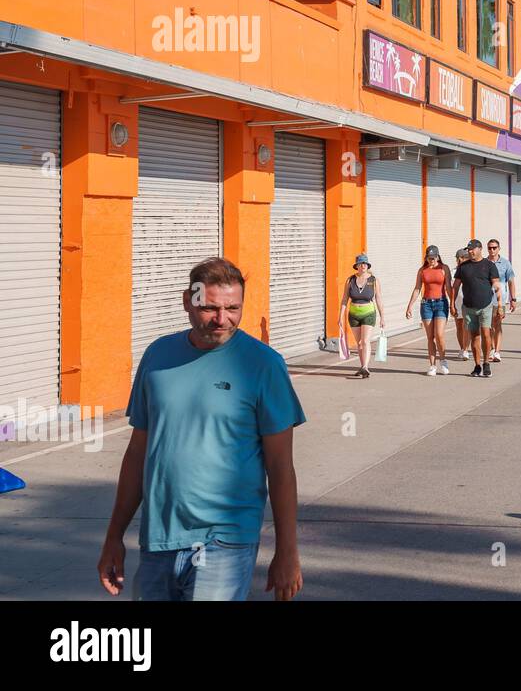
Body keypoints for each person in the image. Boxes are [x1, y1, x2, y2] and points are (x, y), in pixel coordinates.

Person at [98, 257, 305, 601]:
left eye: (233, 308)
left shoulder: (264, 365)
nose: (222, 319)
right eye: (210, 308)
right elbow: (138, 453)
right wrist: (113, 536)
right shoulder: (158, 356)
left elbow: (281, 469)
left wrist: (287, 552)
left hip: (226, 541)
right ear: (187, 302)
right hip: (159, 538)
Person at [451, 239, 502, 378]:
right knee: (474, 337)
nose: (470, 252)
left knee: (486, 334)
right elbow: (455, 286)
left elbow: (497, 286)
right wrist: (452, 304)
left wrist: (500, 304)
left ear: (480, 249)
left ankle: (486, 363)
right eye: (469, 249)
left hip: (485, 306)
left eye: (472, 249)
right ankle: (477, 365)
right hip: (468, 307)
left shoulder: (489, 265)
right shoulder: (464, 267)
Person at [405, 245, 451, 376]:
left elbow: (448, 286)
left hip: (441, 303)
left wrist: (452, 303)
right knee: (430, 337)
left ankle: (443, 360)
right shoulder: (422, 270)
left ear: (438, 256)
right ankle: (432, 365)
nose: (431, 260)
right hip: (426, 304)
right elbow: (417, 288)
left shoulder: (444, 268)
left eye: (433, 258)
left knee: (439, 335)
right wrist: (410, 306)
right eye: (429, 258)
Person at [339, 253, 385, 380]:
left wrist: (382, 317)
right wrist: (340, 317)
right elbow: (344, 300)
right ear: (357, 266)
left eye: (365, 263)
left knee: (365, 341)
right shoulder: (350, 280)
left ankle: (365, 367)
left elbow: (379, 299)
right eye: (360, 264)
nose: (363, 265)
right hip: (353, 314)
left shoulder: (373, 280)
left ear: (367, 265)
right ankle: (362, 366)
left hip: (368, 313)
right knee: (359, 343)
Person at [485, 239, 516, 363]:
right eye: (490, 248)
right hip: (486, 300)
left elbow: (511, 281)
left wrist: (513, 299)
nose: (492, 250)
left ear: (499, 248)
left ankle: (497, 351)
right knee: (489, 326)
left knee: (497, 324)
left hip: (500, 300)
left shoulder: (505, 263)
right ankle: (492, 348)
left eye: (494, 247)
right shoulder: (484, 263)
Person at [451, 248, 471, 360]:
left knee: (466, 326)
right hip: (457, 302)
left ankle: (466, 349)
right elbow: (450, 288)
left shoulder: (470, 269)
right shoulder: (453, 271)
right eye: (458, 258)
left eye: (463, 257)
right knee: (459, 326)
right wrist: (451, 303)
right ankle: (462, 348)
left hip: (468, 302)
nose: (460, 259)